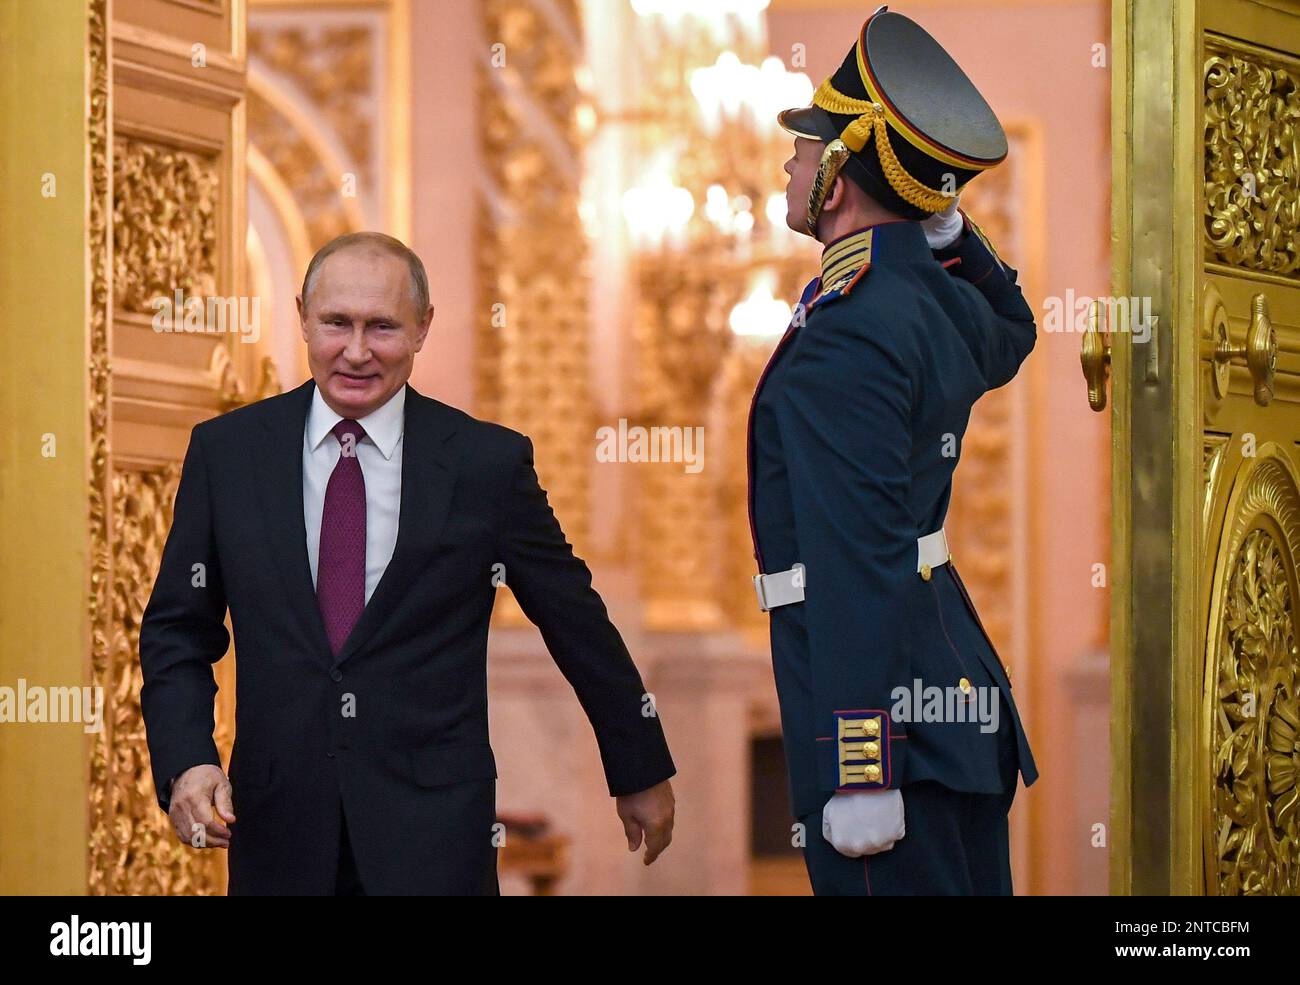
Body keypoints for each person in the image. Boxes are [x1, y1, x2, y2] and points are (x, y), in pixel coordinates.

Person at [140, 232, 676, 894]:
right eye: (337, 322)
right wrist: (188, 759)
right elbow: (176, 630)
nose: (356, 351)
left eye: (383, 327)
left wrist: (639, 764)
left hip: (434, 836)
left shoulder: (486, 465)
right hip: (279, 831)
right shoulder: (227, 454)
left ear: (423, 327)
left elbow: (576, 620)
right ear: (303, 313)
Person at [748, 5, 1038, 894]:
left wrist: (861, 769)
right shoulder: (921, 292)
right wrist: (949, 230)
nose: (791, 162)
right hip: (941, 695)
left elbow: (859, 563)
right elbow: (1014, 331)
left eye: (806, 147)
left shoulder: (853, 327)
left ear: (837, 177)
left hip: (894, 736)